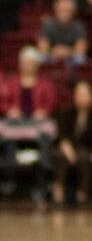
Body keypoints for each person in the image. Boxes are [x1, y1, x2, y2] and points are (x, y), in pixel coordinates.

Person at [0, 47, 57, 201]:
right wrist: (10, 110)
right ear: (20, 64)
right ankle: (7, 175)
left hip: (37, 122)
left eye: (31, 63)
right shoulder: (12, 83)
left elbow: (50, 103)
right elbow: (3, 102)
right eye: (25, 63)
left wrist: (43, 111)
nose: (28, 66)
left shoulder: (45, 84)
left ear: (37, 65)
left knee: (47, 133)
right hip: (15, 122)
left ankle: (44, 177)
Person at [52, 80, 92, 206]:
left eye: (85, 95)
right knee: (61, 156)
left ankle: (82, 193)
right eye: (79, 94)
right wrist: (68, 150)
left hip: (85, 149)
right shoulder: (65, 113)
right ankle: (59, 189)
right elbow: (62, 136)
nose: (82, 98)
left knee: (85, 157)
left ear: (91, 97)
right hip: (65, 147)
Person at [38, 0, 88, 65]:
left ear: (73, 12)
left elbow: (81, 49)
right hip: (52, 57)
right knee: (41, 57)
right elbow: (42, 48)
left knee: (80, 59)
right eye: (61, 10)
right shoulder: (48, 25)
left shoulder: (78, 27)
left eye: (67, 10)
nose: (64, 13)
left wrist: (67, 52)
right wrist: (54, 52)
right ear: (56, 10)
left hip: (71, 59)